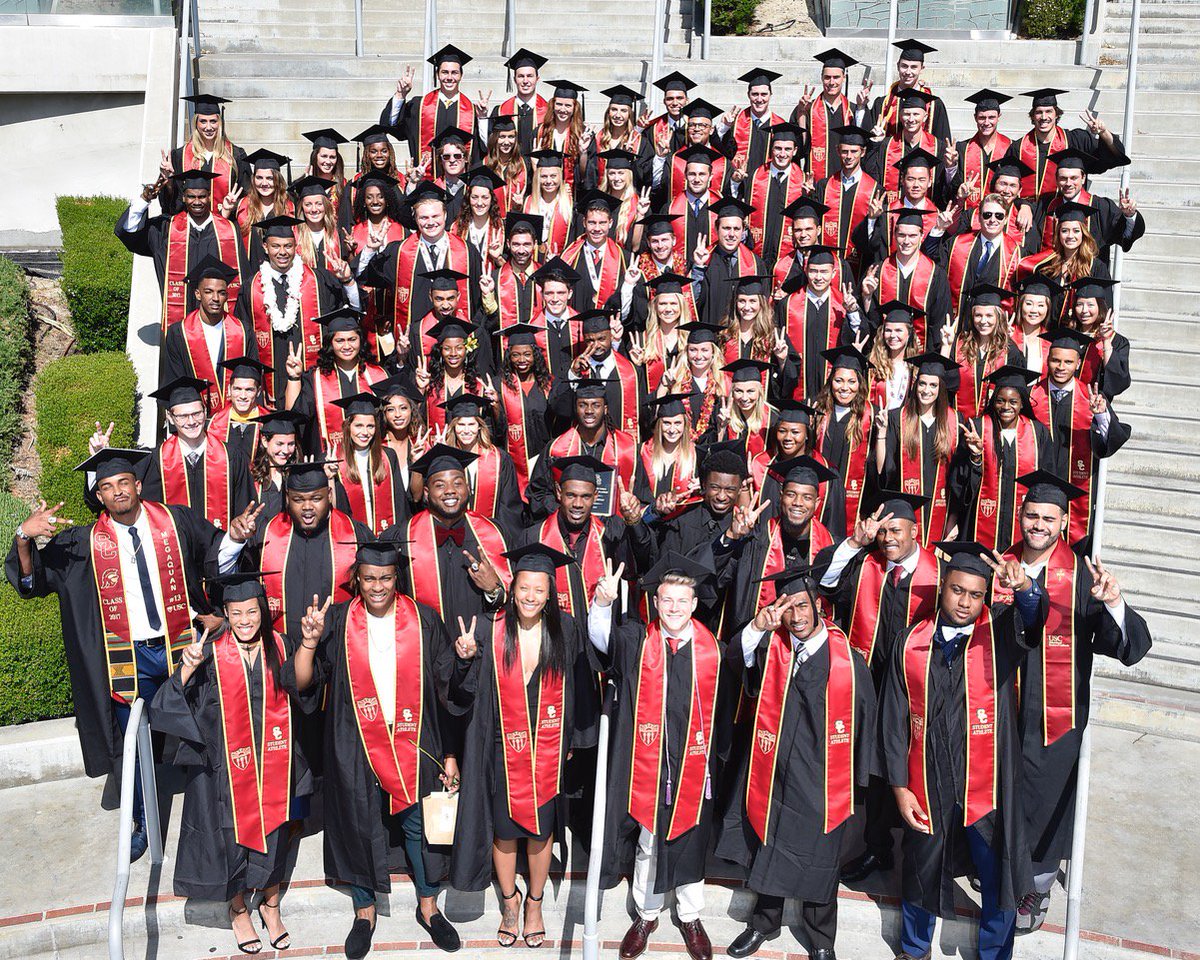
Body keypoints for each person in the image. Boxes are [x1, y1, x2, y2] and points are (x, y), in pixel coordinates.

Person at [5, 449, 257, 857]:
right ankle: (140, 821)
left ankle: (225, 812)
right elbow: (34, 581)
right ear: (100, 496)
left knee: (210, 726)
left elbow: (214, 556)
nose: (117, 491)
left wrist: (234, 537)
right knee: (133, 742)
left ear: (138, 485)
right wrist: (24, 535)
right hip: (127, 660)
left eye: (123, 483)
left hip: (181, 649)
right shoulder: (84, 543)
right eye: (107, 486)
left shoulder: (174, 522)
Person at [285, 539, 462, 959]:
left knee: (420, 827)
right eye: (368, 579)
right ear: (357, 580)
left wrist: (450, 752)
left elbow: (445, 692)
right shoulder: (339, 621)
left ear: (396, 577)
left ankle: (429, 908)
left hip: (415, 738)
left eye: (384, 577)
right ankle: (364, 913)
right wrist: (308, 642)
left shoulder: (423, 620)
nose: (377, 586)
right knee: (357, 826)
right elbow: (304, 683)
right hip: (354, 739)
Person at [1000, 472, 1152, 934]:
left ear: (1064, 522)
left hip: (1055, 716)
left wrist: (1114, 604)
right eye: (1031, 515)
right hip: (1002, 708)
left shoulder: (1082, 576)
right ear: (1019, 517)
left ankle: (1037, 886)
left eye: (1049, 517)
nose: (1038, 524)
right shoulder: (998, 567)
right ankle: (1001, 873)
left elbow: (1128, 649)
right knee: (1000, 794)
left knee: (1046, 805)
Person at [880, 540, 1042, 960]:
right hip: (927, 778)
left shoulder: (999, 637)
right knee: (922, 869)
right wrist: (900, 787)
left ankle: (994, 954)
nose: (966, 602)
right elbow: (894, 722)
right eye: (957, 590)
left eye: (975, 594)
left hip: (986, 782)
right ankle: (914, 950)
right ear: (942, 588)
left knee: (997, 873)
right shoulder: (909, 642)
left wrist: (1025, 590)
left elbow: (1034, 620)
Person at [719, 564, 876, 960]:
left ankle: (822, 939)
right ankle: (763, 923)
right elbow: (735, 662)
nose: (798, 617)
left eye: (804, 606)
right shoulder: (774, 650)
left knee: (822, 857)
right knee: (771, 846)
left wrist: (856, 786)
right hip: (775, 772)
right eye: (788, 609)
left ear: (819, 605)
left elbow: (865, 723)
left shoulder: (849, 662)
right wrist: (757, 627)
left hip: (825, 779)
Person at [151, 570, 311, 955]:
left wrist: (309, 643)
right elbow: (165, 705)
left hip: (273, 759)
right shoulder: (207, 652)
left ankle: (270, 905)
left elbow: (303, 688)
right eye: (236, 613)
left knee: (274, 834)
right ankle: (238, 909)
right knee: (230, 841)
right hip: (224, 770)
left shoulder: (282, 645)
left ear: (263, 611)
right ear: (225, 612)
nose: (245, 621)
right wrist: (187, 668)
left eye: (252, 612)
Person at [445, 544, 595, 945]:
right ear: (512, 589)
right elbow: (463, 694)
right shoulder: (490, 628)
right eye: (524, 587)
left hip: (546, 744)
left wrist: (572, 741)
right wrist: (465, 659)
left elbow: (580, 687)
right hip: (499, 744)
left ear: (550, 595)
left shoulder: (567, 630)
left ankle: (534, 902)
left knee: (542, 830)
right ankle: (509, 902)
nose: (530, 596)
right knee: (505, 830)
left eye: (539, 590)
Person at [589, 553, 726, 960]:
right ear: (655, 601)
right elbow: (601, 639)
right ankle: (647, 914)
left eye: (682, 601)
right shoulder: (637, 639)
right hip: (648, 766)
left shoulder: (711, 650)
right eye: (666, 600)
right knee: (649, 839)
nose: (674, 609)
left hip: (693, 765)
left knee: (691, 837)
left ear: (695, 603)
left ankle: (689, 915)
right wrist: (602, 603)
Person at [818, 495, 941, 882]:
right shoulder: (866, 564)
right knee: (873, 769)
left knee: (912, 765)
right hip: (869, 684)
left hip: (915, 689)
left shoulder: (938, 575)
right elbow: (825, 582)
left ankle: (919, 853)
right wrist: (855, 543)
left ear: (914, 532)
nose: (888, 538)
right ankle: (877, 848)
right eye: (883, 531)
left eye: (896, 530)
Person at [231, 459, 371, 639]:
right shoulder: (265, 534)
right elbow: (237, 583)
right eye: (298, 500)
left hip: (338, 647)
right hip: (281, 649)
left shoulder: (355, 535)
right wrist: (236, 540)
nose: (307, 508)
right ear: (287, 498)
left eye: (316, 498)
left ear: (329, 494)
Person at [234, 214, 362, 404]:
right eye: (275, 246)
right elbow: (243, 338)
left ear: (296, 247)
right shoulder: (251, 287)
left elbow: (351, 313)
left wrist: (347, 281)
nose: (282, 252)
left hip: (314, 382)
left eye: (288, 246)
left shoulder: (320, 280)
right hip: (270, 383)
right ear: (265, 247)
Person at [1028, 328, 1130, 545]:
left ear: (1077, 363)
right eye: (1056, 361)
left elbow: (1110, 443)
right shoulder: (1031, 396)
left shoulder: (1091, 397)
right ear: (1048, 361)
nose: (1061, 367)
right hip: (1038, 489)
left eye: (1068, 362)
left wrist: (1101, 416)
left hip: (1078, 486)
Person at [395, 444, 512, 631]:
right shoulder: (404, 538)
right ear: (426, 493)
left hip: (480, 647)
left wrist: (493, 589)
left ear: (468, 487)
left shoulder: (492, 533)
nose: (450, 490)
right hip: (428, 649)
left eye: (457, 483)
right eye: (440, 485)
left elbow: (509, 602)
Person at [116, 169, 246, 330]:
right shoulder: (166, 230)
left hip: (220, 327)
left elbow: (242, 278)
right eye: (191, 196)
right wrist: (144, 199)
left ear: (210, 196)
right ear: (184, 197)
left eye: (202, 196)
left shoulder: (229, 231)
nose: (197, 202)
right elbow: (130, 231)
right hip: (180, 330)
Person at [953, 366, 1056, 553]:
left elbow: (1046, 479)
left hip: (1021, 522)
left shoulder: (1038, 432)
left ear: (1022, 403)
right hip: (978, 521)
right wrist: (975, 456)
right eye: (1000, 401)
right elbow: (959, 483)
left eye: (1013, 401)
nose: (1006, 407)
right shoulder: (977, 428)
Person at [360, 181, 481, 339]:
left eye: (435, 216)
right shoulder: (398, 252)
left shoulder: (467, 251)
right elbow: (366, 278)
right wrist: (371, 249)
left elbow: (476, 300)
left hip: (455, 345)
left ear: (445, 215)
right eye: (423, 217)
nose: (430, 222)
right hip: (413, 343)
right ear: (415, 219)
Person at [130, 377, 254, 531]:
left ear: (205, 411)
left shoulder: (232, 457)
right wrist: (102, 456)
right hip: (175, 551)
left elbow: (245, 509)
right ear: (170, 417)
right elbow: (117, 494)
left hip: (221, 549)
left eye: (197, 413)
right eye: (182, 416)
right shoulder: (154, 460)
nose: (191, 422)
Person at [874, 353, 961, 544]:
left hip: (941, 512)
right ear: (915, 385)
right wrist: (881, 433)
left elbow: (957, 479)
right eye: (922, 384)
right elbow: (884, 470)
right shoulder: (897, 418)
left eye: (933, 385)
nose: (926, 390)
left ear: (941, 389)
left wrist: (953, 520)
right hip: (904, 511)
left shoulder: (954, 422)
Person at [526, 378, 638, 521]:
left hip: (614, 535)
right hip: (568, 535)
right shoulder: (556, 449)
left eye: (596, 405)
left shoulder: (628, 448)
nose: (589, 411)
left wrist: (633, 506)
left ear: (605, 409)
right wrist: (564, 511)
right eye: (582, 405)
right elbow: (537, 493)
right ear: (575, 408)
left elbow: (643, 496)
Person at [284, 305, 388, 454]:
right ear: (330, 343)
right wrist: (294, 377)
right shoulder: (316, 379)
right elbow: (295, 416)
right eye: (340, 340)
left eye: (352, 339)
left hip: (372, 458)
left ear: (361, 340)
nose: (347, 346)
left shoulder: (379, 375)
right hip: (329, 462)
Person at [162, 257, 254, 410]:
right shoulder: (179, 333)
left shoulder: (243, 331)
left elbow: (251, 377)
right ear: (198, 294)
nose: (216, 298)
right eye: (209, 292)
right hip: (194, 419)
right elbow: (175, 380)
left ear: (227, 296)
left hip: (235, 417)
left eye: (221, 293)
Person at [1004, 89, 1126, 200]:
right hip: (1029, 217)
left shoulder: (1076, 140)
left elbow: (1112, 159)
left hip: (1066, 217)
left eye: (1048, 111)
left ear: (1056, 114)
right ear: (1032, 116)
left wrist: (1103, 132)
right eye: (1039, 112)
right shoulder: (1018, 148)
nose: (1044, 117)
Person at [928, 193, 1025, 322]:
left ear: (1006, 219)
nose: (992, 220)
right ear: (979, 217)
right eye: (987, 215)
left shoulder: (1017, 254)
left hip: (992, 328)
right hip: (958, 324)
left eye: (999, 216)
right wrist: (939, 228)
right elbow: (930, 263)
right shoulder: (957, 244)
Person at [811, 346, 876, 538]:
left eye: (851, 381)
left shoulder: (871, 416)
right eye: (839, 380)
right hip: (820, 496)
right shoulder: (819, 413)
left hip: (853, 503)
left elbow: (876, 470)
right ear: (831, 382)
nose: (844, 387)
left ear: (860, 384)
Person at [437, 393, 524, 536]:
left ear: (479, 426)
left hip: (491, 535)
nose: (466, 430)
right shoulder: (446, 458)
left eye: (471, 424)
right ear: (453, 427)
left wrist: (500, 537)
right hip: (454, 535)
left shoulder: (500, 458)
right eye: (461, 424)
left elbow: (509, 506)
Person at [384, 44, 479, 168]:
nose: (449, 77)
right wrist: (400, 95)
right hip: (425, 181)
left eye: (454, 73)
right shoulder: (418, 106)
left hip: (459, 183)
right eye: (444, 72)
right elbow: (393, 128)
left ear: (461, 75)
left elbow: (479, 150)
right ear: (437, 75)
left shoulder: (472, 112)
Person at [330, 391, 410, 534]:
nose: (365, 432)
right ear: (348, 427)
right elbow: (332, 509)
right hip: (351, 540)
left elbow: (400, 503)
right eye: (359, 425)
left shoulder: (388, 456)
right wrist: (329, 478)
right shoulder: (333, 460)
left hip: (387, 540)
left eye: (370, 426)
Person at [942, 283, 1024, 420]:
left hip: (993, 426)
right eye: (978, 315)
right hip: (958, 423)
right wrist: (946, 346)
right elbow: (945, 384)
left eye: (989, 315)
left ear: (998, 317)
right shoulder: (958, 345)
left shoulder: (1010, 350)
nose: (983, 321)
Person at [160, 93, 248, 214]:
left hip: (225, 228)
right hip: (189, 228)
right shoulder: (180, 156)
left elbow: (246, 196)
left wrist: (229, 210)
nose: (208, 127)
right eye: (203, 121)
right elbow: (172, 203)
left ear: (220, 123)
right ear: (196, 123)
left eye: (213, 121)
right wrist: (168, 182)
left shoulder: (236, 155)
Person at [494, 323, 554, 496]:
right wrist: (496, 406)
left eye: (527, 354)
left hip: (543, 458)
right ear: (509, 357)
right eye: (516, 355)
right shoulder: (500, 385)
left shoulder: (549, 384)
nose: (522, 360)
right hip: (513, 461)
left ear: (535, 355)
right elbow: (497, 429)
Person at [792, 48, 867, 182]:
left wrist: (861, 107)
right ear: (821, 78)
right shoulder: (807, 108)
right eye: (827, 77)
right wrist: (802, 114)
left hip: (846, 183)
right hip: (814, 183)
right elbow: (798, 150)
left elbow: (864, 146)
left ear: (844, 77)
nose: (831, 82)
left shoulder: (853, 110)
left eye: (836, 77)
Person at [812, 124, 878, 271]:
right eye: (845, 152)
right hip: (826, 267)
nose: (849, 157)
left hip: (861, 265)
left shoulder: (875, 190)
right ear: (837, 151)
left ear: (863, 152)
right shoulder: (824, 186)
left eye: (854, 151)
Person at [742, 123, 809, 268]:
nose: (782, 154)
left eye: (788, 149)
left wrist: (808, 197)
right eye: (778, 148)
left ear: (795, 151)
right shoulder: (755, 176)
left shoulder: (803, 181)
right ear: (771, 149)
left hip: (788, 258)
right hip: (756, 252)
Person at [695, 197, 765, 327]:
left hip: (742, 339)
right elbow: (692, 302)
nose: (731, 234)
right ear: (716, 228)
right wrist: (698, 267)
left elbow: (763, 307)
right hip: (711, 339)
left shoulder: (756, 264)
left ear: (743, 230)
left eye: (736, 229)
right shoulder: (704, 260)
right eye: (726, 228)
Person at [939, 90, 1014, 211]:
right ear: (975, 118)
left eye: (991, 117)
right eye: (982, 118)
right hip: (968, 217)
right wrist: (951, 167)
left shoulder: (1011, 148)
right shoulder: (962, 149)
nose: (986, 122)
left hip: (1000, 217)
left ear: (999, 117)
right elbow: (951, 190)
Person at [863, 40, 951, 142]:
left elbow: (942, 144)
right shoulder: (882, 104)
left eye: (914, 67)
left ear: (921, 69)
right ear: (897, 66)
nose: (908, 72)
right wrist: (861, 107)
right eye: (904, 66)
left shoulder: (934, 105)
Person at [561, 191, 630, 311]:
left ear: (610, 223)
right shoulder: (570, 257)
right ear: (584, 223)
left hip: (610, 327)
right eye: (592, 223)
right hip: (577, 325)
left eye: (602, 223)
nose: (597, 229)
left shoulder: (624, 259)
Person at [228, 149, 293, 268]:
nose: (264, 183)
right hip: (250, 272)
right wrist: (226, 210)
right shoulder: (242, 206)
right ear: (253, 179)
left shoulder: (289, 207)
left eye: (269, 178)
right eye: (259, 177)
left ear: (277, 179)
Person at [208, 356, 273, 466]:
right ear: (229, 390)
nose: (243, 396)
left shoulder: (269, 423)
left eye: (249, 390)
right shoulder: (213, 424)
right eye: (237, 389)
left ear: (258, 392)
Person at [720, 68, 786, 171]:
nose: (759, 99)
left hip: (767, 183)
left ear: (770, 95)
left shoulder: (780, 125)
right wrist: (725, 127)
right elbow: (722, 151)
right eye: (755, 94)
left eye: (764, 94)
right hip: (739, 182)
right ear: (748, 95)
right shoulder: (735, 122)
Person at [245, 408, 306, 518]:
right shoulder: (251, 475)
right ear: (264, 441)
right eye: (279, 444)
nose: (286, 450)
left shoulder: (298, 475)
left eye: (291, 444)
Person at [533, 80, 590, 191]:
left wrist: (583, 154)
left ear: (575, 108)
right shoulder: (540, 132)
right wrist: (534, 164)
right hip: (544, 193)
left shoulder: (583, 134)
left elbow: (586, 175)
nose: (562, 109)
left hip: (572, 194)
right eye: (559, 104)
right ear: (552, 105)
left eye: (568, 105)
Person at [492, 48, 549, 154]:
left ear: (537, 79)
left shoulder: (549, 111)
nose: (525, 81)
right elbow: (490, 144)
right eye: (521, 76)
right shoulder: (500, 111)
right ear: (514, 79)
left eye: (530, 76)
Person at [525, 149, 576, 256]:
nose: (548, 181)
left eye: (553, 176)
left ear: (560, 177)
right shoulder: (528, 204)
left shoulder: (570, 206)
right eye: (543, 176)